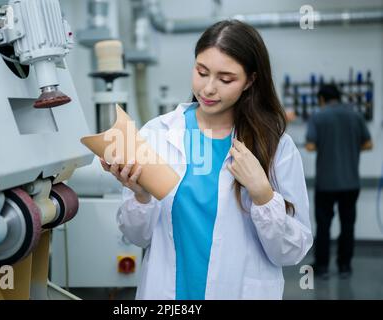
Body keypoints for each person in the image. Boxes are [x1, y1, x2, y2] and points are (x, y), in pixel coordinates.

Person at [101, 20, 313, 299]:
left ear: (250, 80)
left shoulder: (275, 147)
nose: (209, 88)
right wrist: (140, 196)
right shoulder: (157, 134)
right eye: (201, 72)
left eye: (226, 79)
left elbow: (292, 251)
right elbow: (137, 237)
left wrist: (263, 194)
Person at [306, 84, 373, 279]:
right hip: (351, 183)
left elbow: (310, 146)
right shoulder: (355, 116)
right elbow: (368, 144)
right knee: (348, 224)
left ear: (321, 99)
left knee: (324, 225)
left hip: (326, 183)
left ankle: (322, 267)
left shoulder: (318, 117)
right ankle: (344, 266)